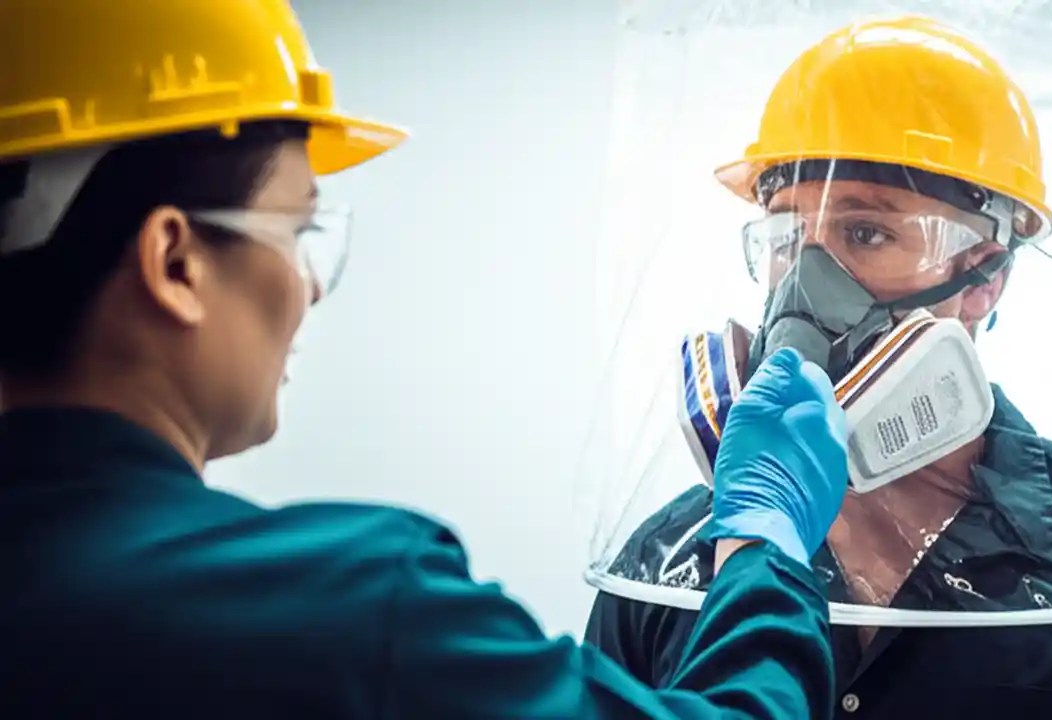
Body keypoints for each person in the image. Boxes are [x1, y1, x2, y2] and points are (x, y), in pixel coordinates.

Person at [0, 2, 854, 717]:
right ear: (175, 263)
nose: (311, 289)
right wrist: (761, 548)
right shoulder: (350, 611)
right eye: (298, 232)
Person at [584, 17, 1052, 719]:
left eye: (866, 232)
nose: (804, 286)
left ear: (983, 278)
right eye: (788, 236)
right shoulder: (668, 568)